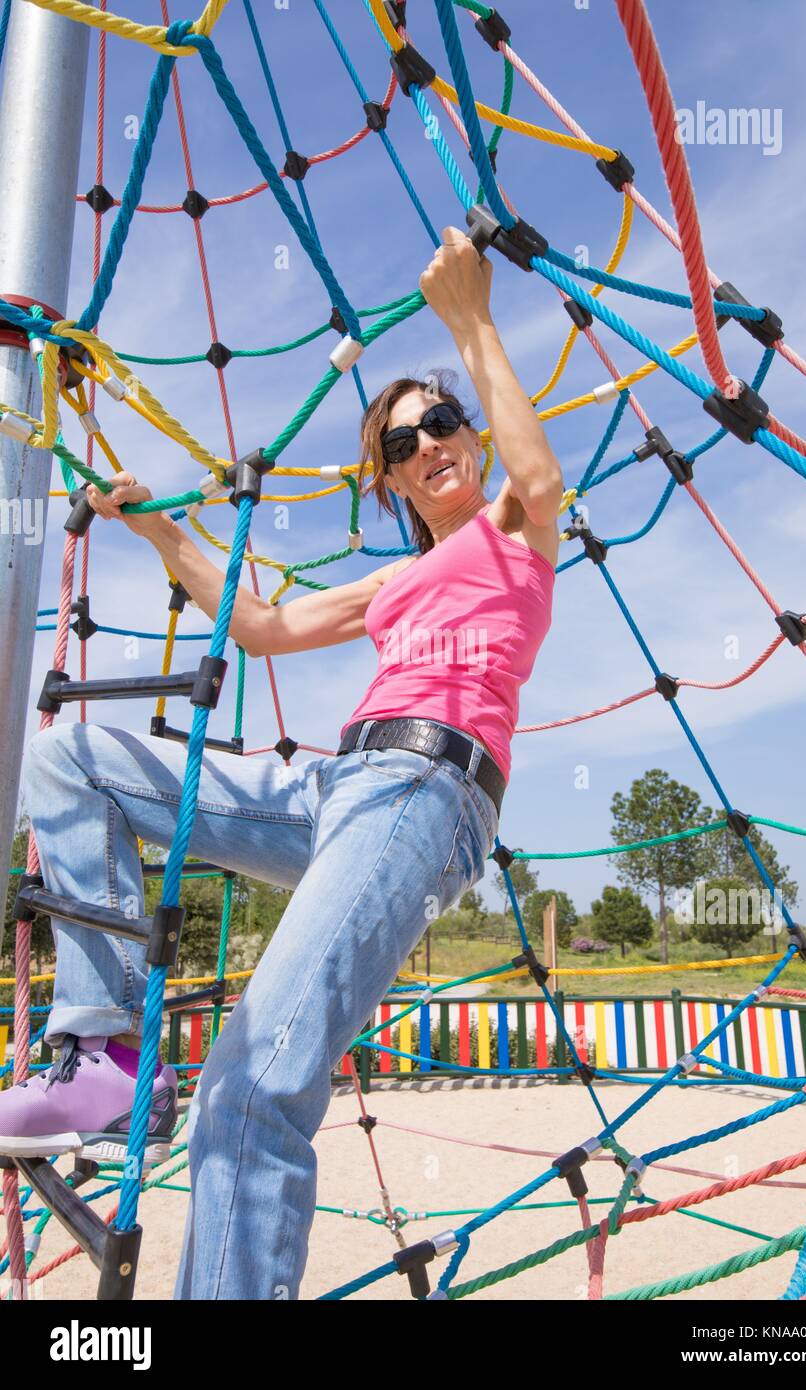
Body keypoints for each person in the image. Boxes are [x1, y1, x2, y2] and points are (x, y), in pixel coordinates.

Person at [0, 227, 562, 1298]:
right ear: (390, 480)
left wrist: (472, 322)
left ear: (472, 439)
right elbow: (257, 623)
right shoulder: (392, 585)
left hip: (419, 793)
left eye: (441, 422)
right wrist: (161, 531)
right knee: (72, 758)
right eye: (402, 444)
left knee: (252, 1085)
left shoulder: (510, 530)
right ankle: (107, 1056)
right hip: (326, 791)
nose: (428, 444)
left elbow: (539, 479)